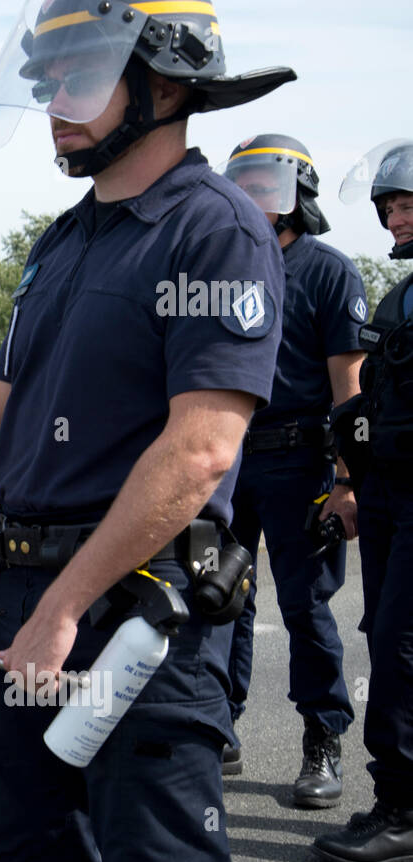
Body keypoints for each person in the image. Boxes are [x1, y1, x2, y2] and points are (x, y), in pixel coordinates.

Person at [0, 0, 294, 862]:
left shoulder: (216, 229)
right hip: (20, 605)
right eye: (46, 79)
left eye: (79, 77)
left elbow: (201, 449)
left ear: (162, 82)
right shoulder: (61, 241)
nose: (54, 102)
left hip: (131, 612)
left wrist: (66, 604)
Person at [216, 135, 365, 807]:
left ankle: (321, 740)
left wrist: (346, 479)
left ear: (294, 193)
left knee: (305, 607)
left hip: (302, 458)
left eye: (262, 181)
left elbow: (349, 389)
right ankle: (219, 727)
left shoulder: (330, 272)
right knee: (221, 598)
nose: (248, 193)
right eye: (238, 180)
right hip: (226, 460)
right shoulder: (219, 270)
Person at [314, 139, 413, 862]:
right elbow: (373, 399)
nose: (397, 218)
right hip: (385, 490)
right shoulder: (399, 296)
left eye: (409, 203)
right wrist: (350, 481)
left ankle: (402, 808)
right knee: (386, 633)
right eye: (391, 206)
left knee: (402, 644)